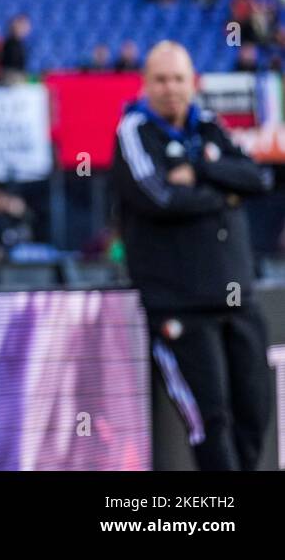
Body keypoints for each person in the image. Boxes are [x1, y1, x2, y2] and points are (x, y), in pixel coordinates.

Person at [110, 41, 274, 471]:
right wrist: (226, 195)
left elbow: (258, 177)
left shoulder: (209, 125)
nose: (170, 88)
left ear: (193, 82)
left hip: (240, 301)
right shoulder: (133, 130)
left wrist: (200, 171)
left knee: (255, 414)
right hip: (180, 307)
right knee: (211, 421)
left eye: (179, 78)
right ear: (145, 84)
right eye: (161, 79)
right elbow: (160, 197)